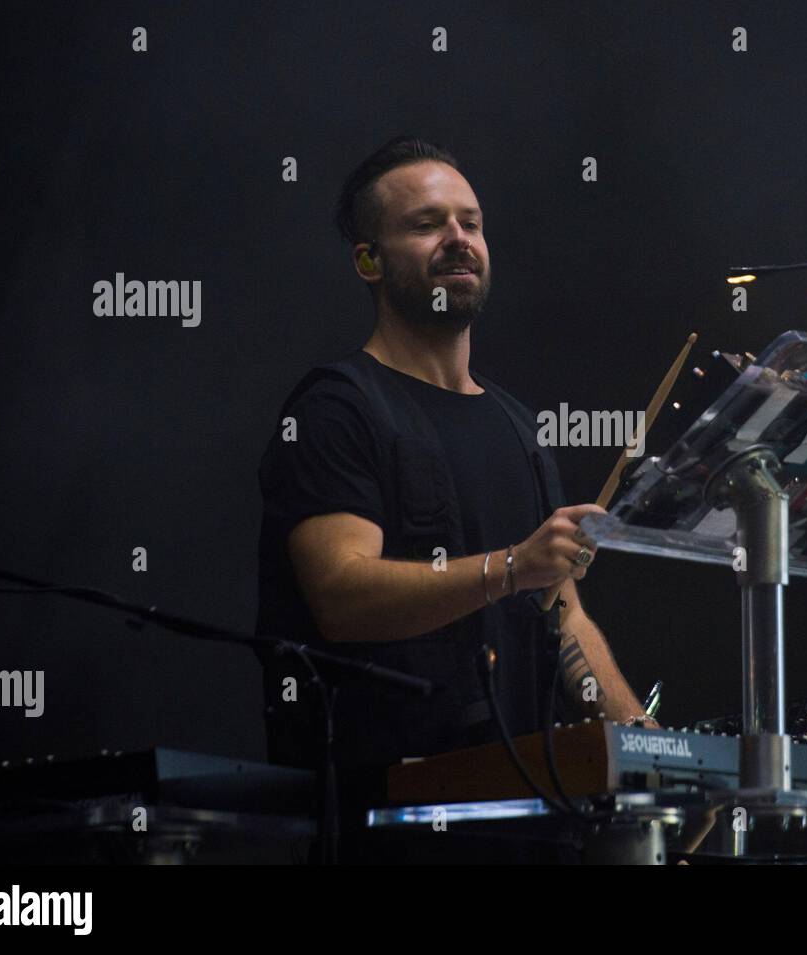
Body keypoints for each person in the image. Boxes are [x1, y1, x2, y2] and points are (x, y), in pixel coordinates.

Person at [254, 136, 655, 859]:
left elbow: (561, 612)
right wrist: (511, 566)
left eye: (470, 222)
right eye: (426, 223)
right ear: (368, 260)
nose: (458, 240)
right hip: (383, 826)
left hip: (524, 823)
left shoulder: (518, 426)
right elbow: (340, 595)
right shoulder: (337, 409)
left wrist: (645, 749)